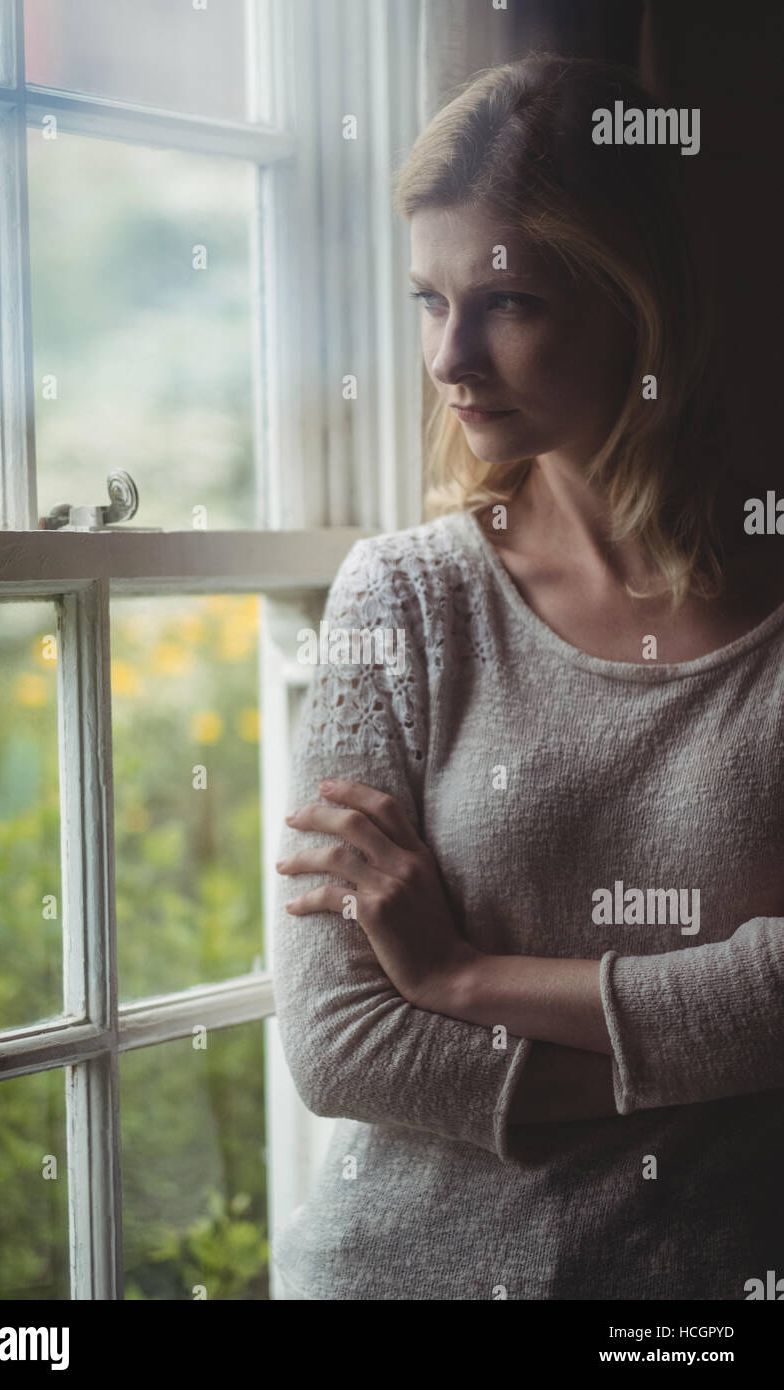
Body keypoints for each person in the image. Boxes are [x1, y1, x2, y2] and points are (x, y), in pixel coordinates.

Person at [271, 53, 784, 1300]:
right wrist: (711, 1031)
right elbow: (343, 1045)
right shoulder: (402, 599)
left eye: (504, 303)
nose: (448, 360)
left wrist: (458, 978)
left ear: (635, 305)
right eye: (425, 302)